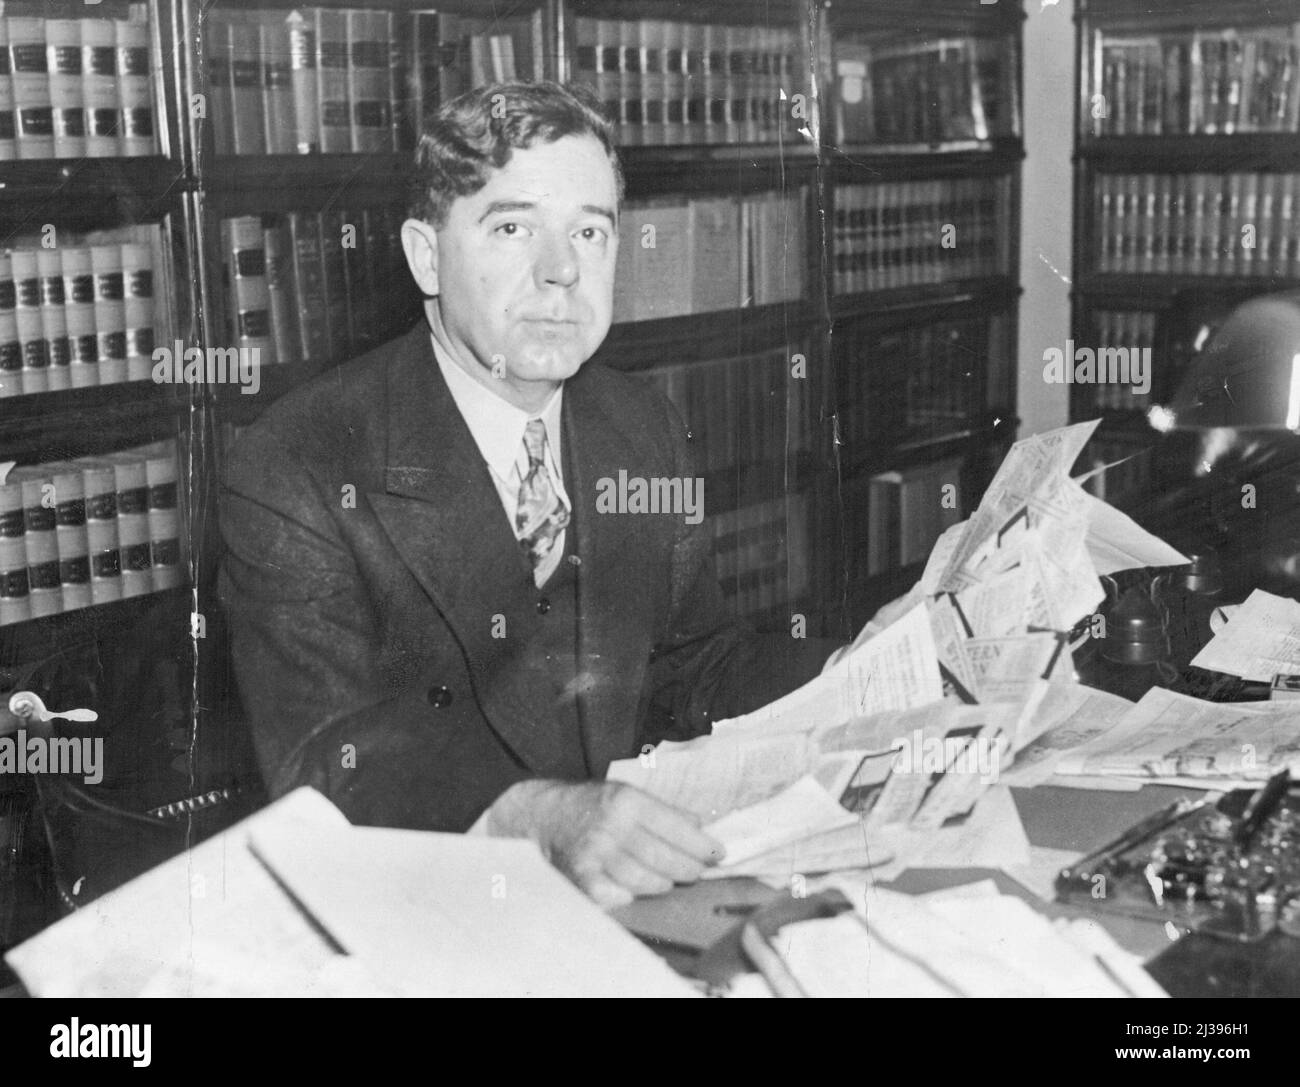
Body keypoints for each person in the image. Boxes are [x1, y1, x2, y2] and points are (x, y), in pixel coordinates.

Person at [219, 81, 839, 907]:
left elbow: (687, 664)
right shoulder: (296, 461)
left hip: (631, 900)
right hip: (435, 913)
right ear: (426, 256)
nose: (562, 272)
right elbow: (328, 753)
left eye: (590, 230)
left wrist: (850, 673)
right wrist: (538, 817)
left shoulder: (642, 424)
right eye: (513, 228)